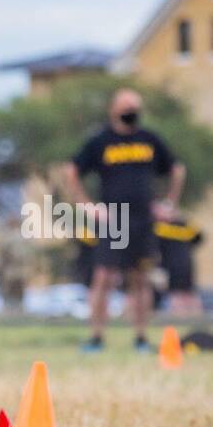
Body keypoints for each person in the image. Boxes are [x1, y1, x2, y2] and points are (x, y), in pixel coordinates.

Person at [64, 88, 185, 352]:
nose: (131, 112)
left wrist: (169, 204)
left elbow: (176, 169)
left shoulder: (149, 139)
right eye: (127, 106)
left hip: (143, 220)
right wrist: (87, 206)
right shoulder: (101, 141)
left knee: (141, 278)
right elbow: (71, 170)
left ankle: (141, 338)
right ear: (114, 109)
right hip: (113, 219)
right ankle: (96, 338)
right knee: (104, 277)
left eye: (135, 107)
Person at [154, 213, 203, 317]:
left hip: (179, 267)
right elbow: (198, 238)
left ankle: (186, 318)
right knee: (182, 294)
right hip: (181, 266)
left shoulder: (165, 227)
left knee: (182, 295)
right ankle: (191, 319)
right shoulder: (165, 227)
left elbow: (199, 237)